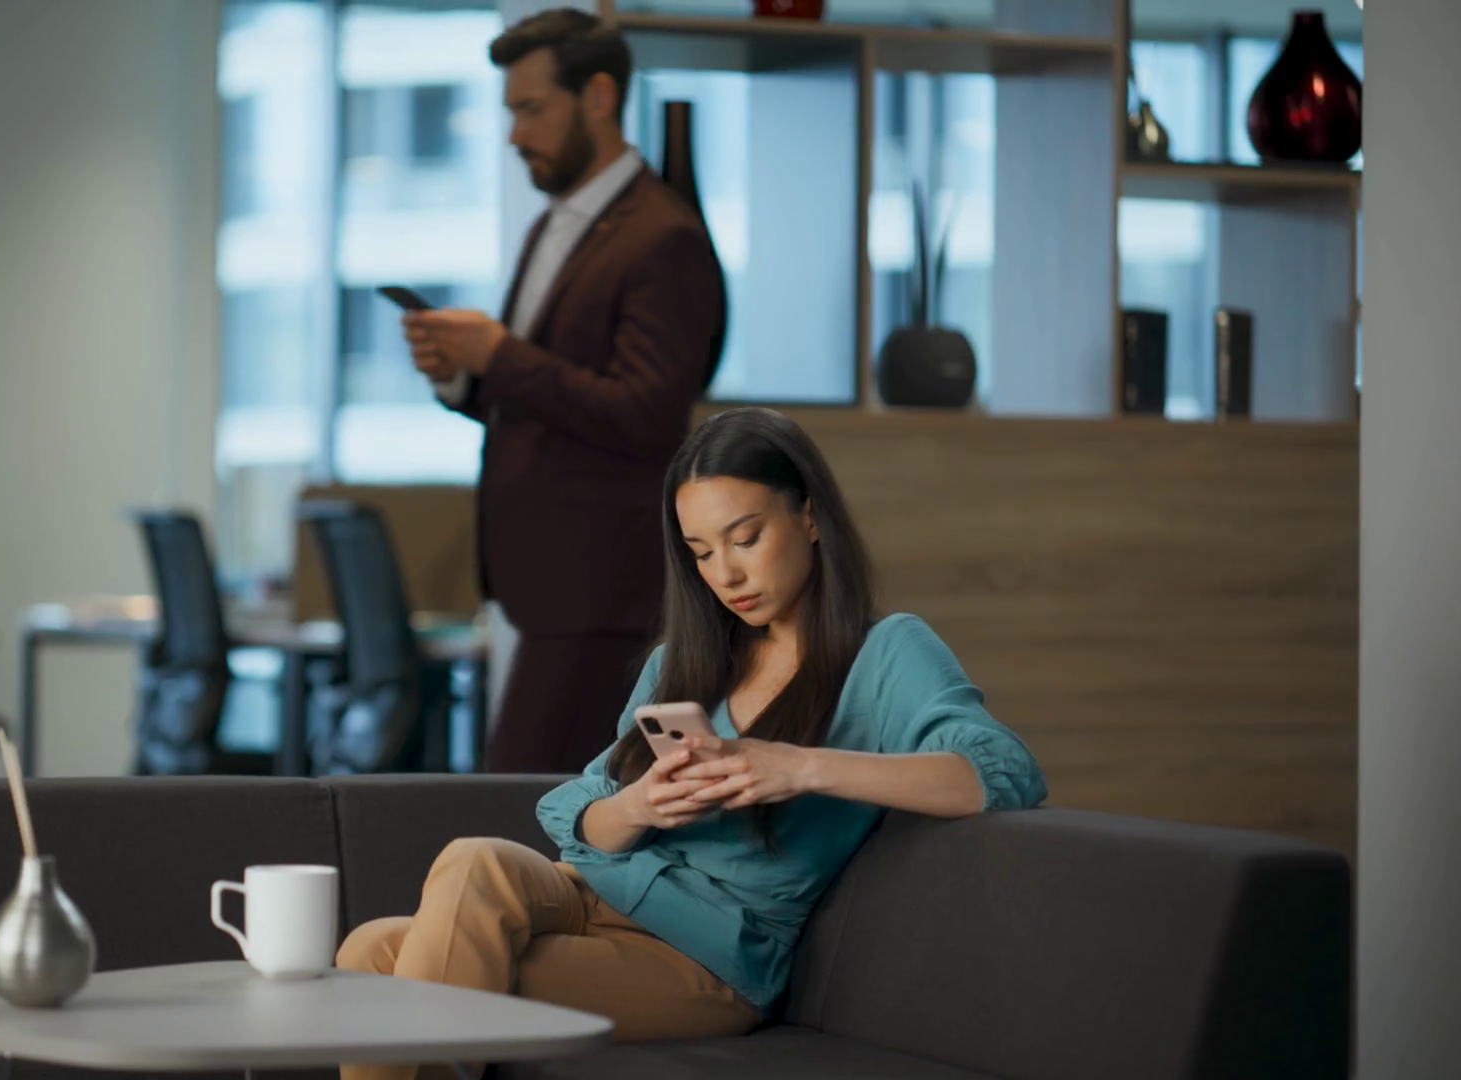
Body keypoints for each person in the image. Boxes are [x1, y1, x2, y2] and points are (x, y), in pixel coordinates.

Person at [335, 407, 1049, 1080]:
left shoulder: (886, 652)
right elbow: (582, 807)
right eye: (702, 552)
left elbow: (1001, 774)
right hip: (599, 892)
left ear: (809, 516)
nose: (726, 575)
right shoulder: (685, 661)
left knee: (378, 960)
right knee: (465, 865)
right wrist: (641, 806)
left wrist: (799, 768)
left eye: (745, 539)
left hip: (703, 958)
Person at [403, 8, 726, 774]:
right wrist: (462, 373)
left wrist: (500, 354)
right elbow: (546, 399)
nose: (514, 134)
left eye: (531, 109)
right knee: (543, 803)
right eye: (510, 112)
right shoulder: (556, 227)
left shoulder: (662, 236)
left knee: (517, 799)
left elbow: (647, 413)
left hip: (601, 592)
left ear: (599, 98)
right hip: (546, 588)